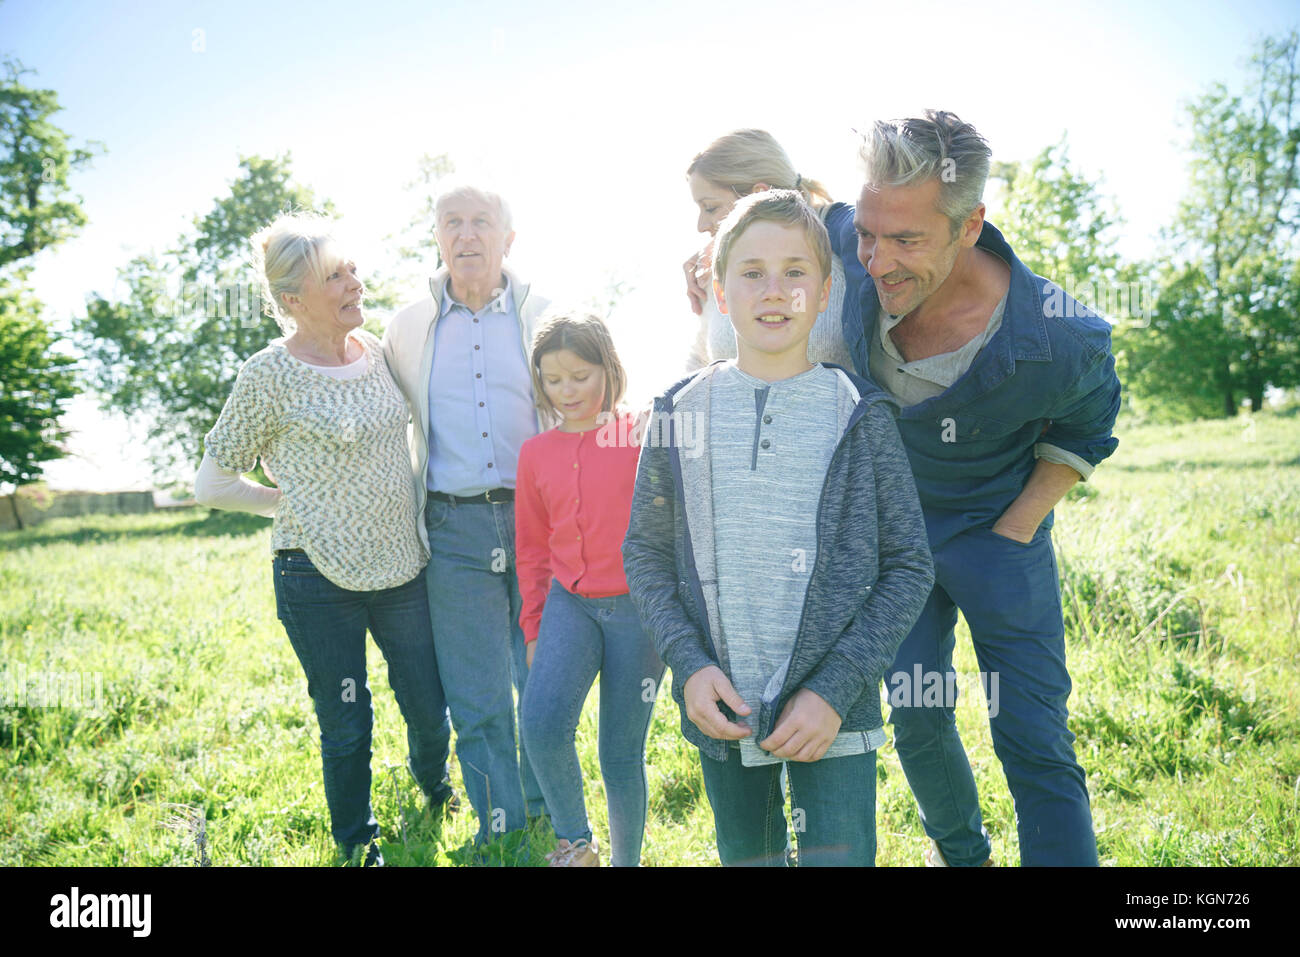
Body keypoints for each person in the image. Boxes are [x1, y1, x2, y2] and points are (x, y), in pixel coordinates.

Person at [824, 110, 1122, 866]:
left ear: (969, 225)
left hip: (998, 535)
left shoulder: (1063, 336)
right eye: (868, 233)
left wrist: (1018, 525)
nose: (877, 260)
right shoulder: (849, 243)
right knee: (916, 715)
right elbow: (777, 204)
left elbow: (1087, 428)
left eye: (906, 240)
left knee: (1031, 730)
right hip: (901, 545)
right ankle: (965, 855)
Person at [624, 190, 934, 866]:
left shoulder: (860, 413)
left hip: (833, 716)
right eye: (752, 271)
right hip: (723, 707)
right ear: (719, 291)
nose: (775, 290)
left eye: (796, 271)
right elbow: (644, 556)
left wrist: (833, 688)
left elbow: (909, 565)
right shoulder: (678, 412)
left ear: (824, 292)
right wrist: (690, 665)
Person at [195, 213, 454, 866]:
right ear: (292, 300)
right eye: (333, 276)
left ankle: (438, 789)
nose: (353, 282)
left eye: (352, 269)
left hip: (402, 565)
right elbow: (212, 481)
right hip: (314, 576)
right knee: (346, 719)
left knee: (428, 702)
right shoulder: (268, 375)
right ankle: (356, 840)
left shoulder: (377, 352)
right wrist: (285, 502)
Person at [382, 181, 549, 846]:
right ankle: (499, 824)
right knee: (476, 691)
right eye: (453, 222)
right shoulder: (408, 326)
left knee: (540, 678)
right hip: (452, 527)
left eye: (482, 221)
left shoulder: (544, 314)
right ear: (438, 237)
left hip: (537, 523)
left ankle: (545, 810)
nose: (467, 234)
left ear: (509, 237)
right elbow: (375, 413)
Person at [515, 313, 664, 867]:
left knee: (620, 752)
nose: (566, 391)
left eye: (580, 375)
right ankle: (577, 845)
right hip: (568, 604)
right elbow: (530, 550)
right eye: (553, 380)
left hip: (637, 611)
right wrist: (533, 628)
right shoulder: (535, 454)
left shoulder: (638, 435)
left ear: (608, 368)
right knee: (541, 719)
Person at [682, 129, 854, 372]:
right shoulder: (715, 272)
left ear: (759, 197)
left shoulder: (843, 271)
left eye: (710, 207)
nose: (701, 226)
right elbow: (698, 364)